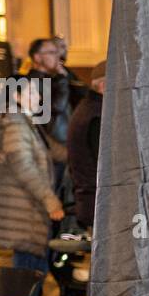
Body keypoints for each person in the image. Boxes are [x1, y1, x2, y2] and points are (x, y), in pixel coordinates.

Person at [0, 78, 64, 273]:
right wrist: (49, 199)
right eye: (31, 93)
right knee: (26, 267)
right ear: (17, 96)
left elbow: (50, 149)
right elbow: (23, 166)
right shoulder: (16, 124)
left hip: (25, 202)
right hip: (21, 203)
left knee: (33, 260)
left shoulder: (24, 120)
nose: (38, 97)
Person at [25, 37, 70, 191]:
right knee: (52, 195)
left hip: (61, 146)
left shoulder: (54, 79)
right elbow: (57, 106)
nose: (57, 56)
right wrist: (62, 79)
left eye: (57, 52)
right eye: (51, 52)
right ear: (37, 57)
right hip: (50, 148)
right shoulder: (33, 81)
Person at [67, 61, 104, 230]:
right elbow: (104, 164)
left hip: (92, 200)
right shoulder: (96, 116)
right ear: (103, 85)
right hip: (98, 202)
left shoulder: (89, 108)